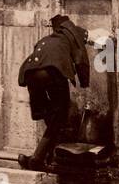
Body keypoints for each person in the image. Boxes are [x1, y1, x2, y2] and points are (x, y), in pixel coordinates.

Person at [16, 13, 91, 171]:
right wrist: (84, 83)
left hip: (30, 73)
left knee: (51, 116)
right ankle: (39, 158)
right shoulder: (73, 34)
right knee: (60, 115)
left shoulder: (48, 39)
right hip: (52, 71)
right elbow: (81, 58)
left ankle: (43, 157)